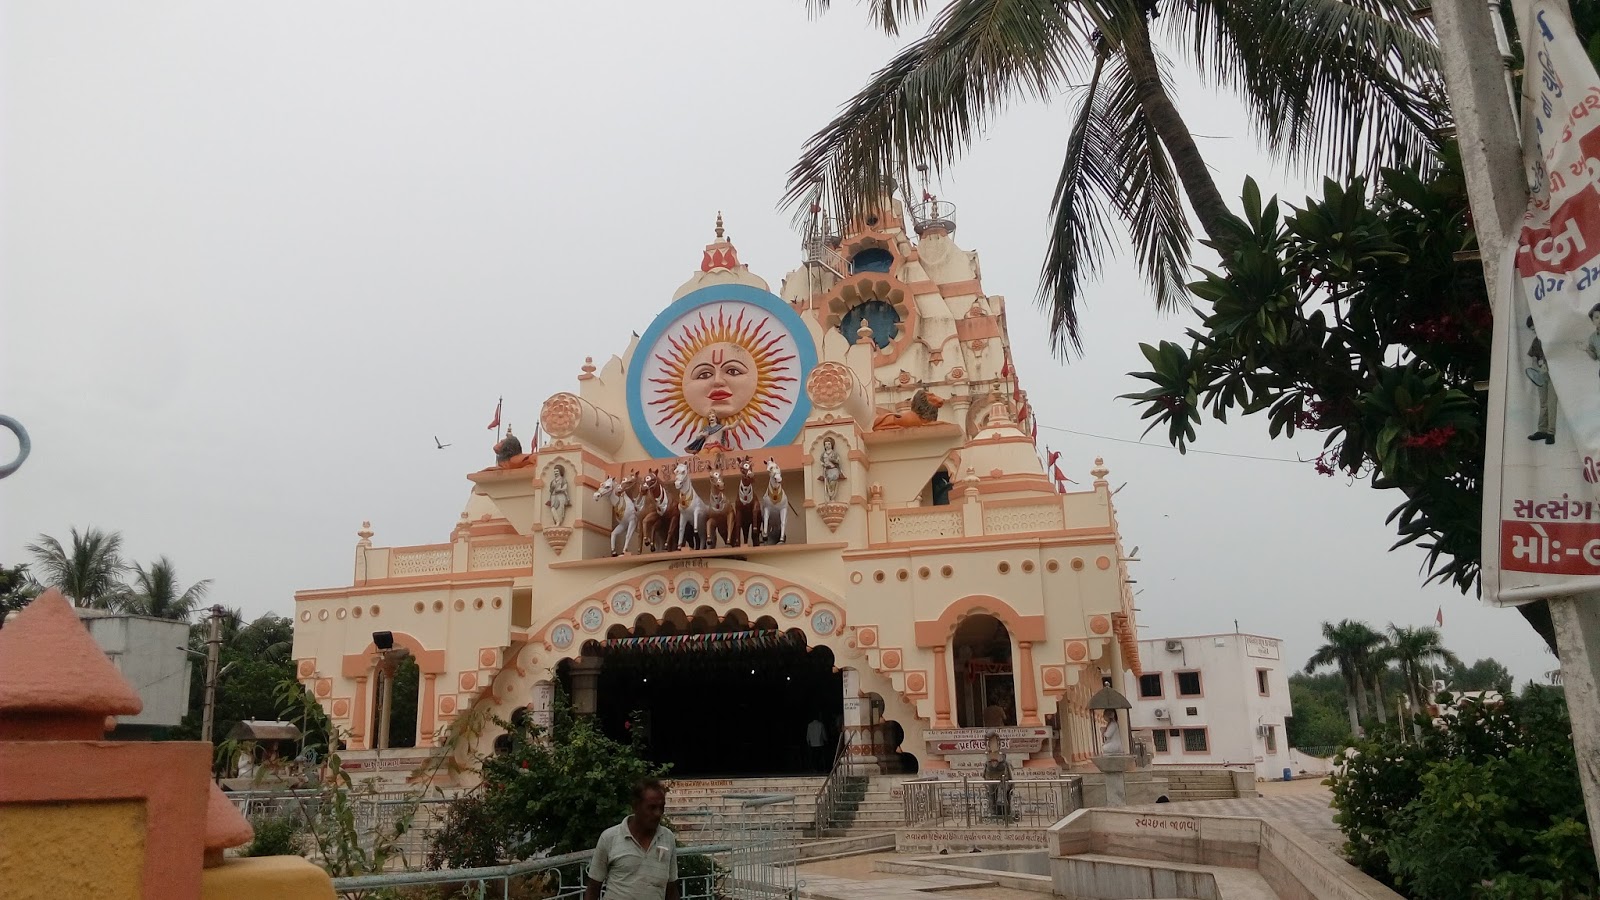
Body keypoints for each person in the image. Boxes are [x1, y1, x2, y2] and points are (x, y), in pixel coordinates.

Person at [586, 778, 679, 900]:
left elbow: (671, 889)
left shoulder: (667, 838)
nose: (658, 813)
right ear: (636, 806)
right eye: (651, 807)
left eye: (661, 807)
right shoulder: (609, 838)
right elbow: (593, 888)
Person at [982, 749, 1013, 819]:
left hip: (1003, 784)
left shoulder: (1004, 764)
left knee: (1004, 798)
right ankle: (993, 813)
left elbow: (1009, 775)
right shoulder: (988, 764)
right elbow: (985, 775)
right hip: (991, 783)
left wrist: (1009, 783)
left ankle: (1006, 813)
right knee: (991, 798)